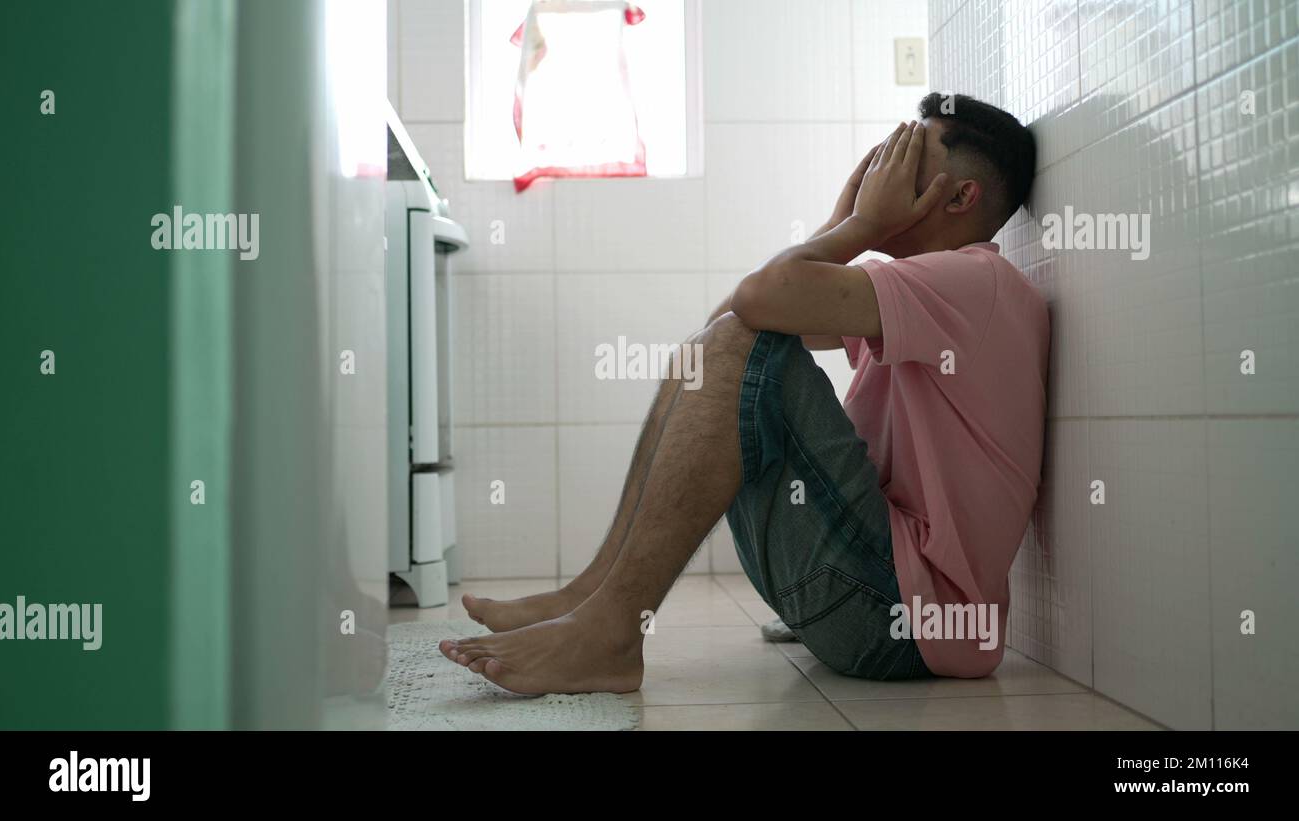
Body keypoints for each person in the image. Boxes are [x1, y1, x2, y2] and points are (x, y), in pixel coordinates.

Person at [440, 93, 1047, 693]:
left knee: (736, 346)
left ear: (961, 196)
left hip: (903, 621)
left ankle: (610, 634)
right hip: (864, 596)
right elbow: (726, 333)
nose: (882, 174)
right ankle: (593, 599)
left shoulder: (976, 279)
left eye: (907, 161)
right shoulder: (920, 288)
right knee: (713, 353)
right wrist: (847, 225)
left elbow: (756, 309)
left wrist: (858, 226)